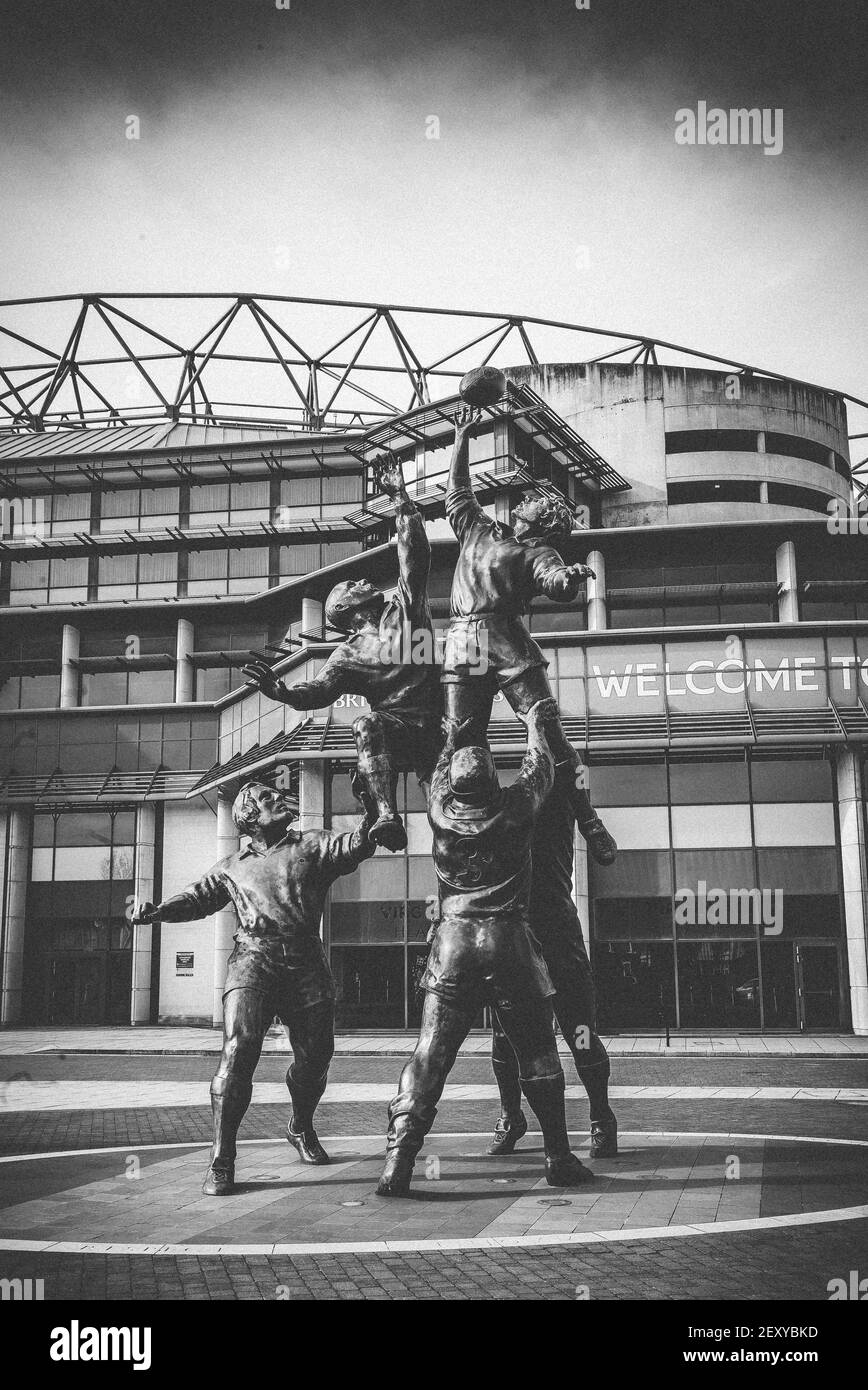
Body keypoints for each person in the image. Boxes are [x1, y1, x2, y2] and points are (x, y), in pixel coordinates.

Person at [376, 699, 594, 1197]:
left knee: (430, 1052)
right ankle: (558, 1156)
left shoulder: (438, 813)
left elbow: (439, 768)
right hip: (509, 942)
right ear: (495, 780)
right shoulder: (517, 809)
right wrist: (536, 719)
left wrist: (457, 727)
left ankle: (398, 1161)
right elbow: (539, 765)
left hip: (453, 944)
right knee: (538, 1052)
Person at [131, 779, 375, 1196]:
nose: (280, 799)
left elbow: (356, 844)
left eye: (277, 795)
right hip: (253, 960)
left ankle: (299, 1126)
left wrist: (373, 809)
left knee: (316, 1060)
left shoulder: (312, 845)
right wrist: (155, 912)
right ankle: (221, 1160)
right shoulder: (231, 866)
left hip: (305, 962)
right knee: (238, 1051)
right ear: (248, 817)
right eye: (268, 799)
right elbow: (194, 898)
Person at [441, 404, 616, 866]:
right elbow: (456, 492)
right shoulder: (477, 529)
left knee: (549, 733)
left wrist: (570, 577)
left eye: (536, 502)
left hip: (507, 641)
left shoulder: (538, 551)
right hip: (461, 643)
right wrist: (461, 438)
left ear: (545, 520)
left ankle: (588, 819)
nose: (525, 500)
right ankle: (468, 840)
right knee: (461, 739)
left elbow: (555, 582)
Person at [243, 454, 441, 852]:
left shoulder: (404, 608)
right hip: (400, 732)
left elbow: (414, 552)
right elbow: (314, 693)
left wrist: (400, 497)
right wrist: (280, 691)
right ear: (346, 610)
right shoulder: (347, 655)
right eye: (354, 583)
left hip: (438, 721)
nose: (365, 579)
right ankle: (386, 816)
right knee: (366, 725)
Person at [487, 761, 618, 1160]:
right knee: (505, 1037)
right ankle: (511, 1117)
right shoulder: (502, 808)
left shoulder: (564, 797)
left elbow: (572, 765)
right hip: (516, 936)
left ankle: (601, 1117)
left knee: (580, 1033)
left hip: (558, 930)